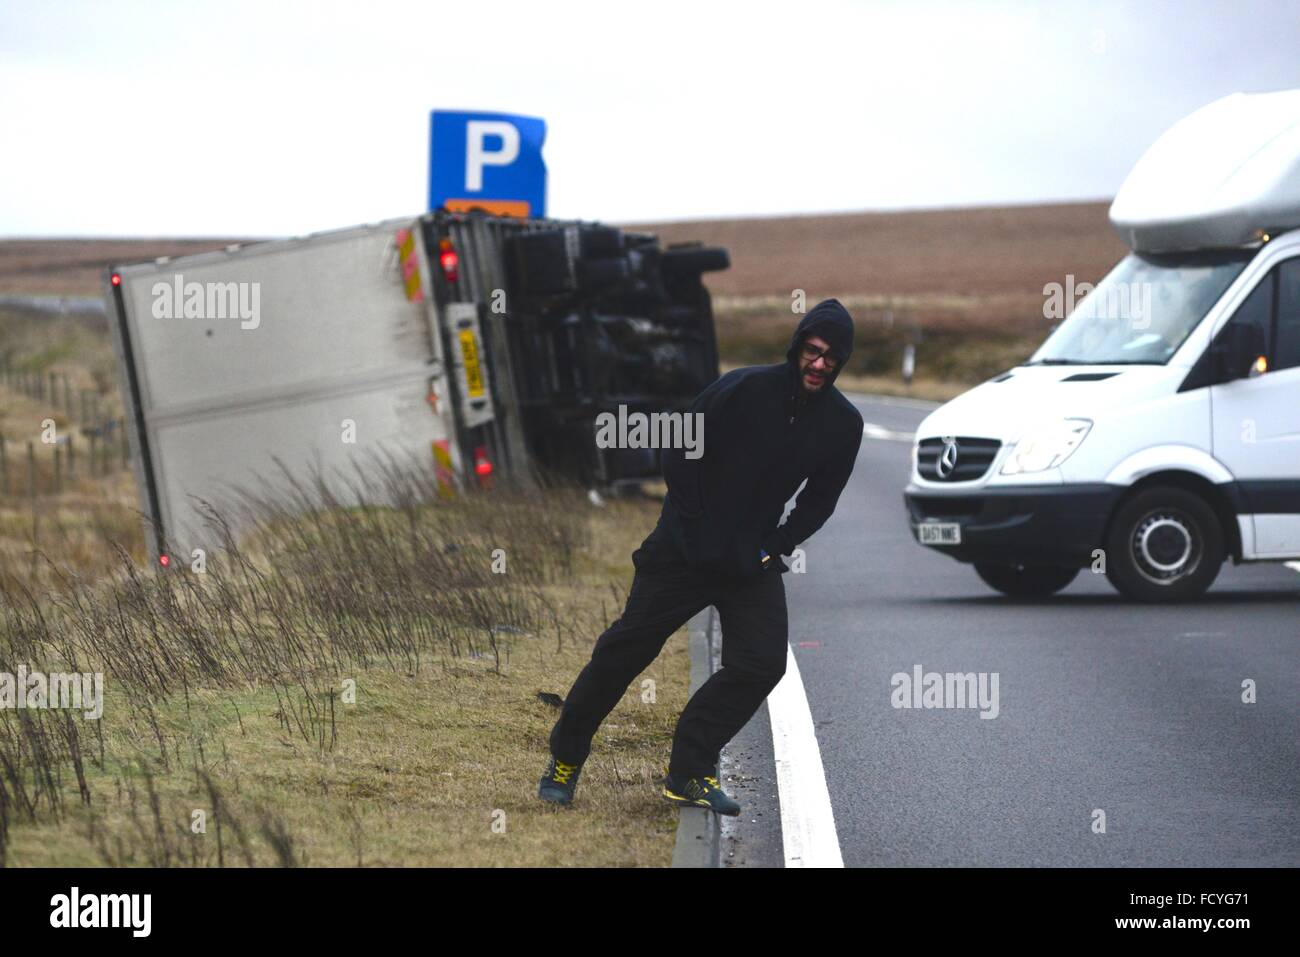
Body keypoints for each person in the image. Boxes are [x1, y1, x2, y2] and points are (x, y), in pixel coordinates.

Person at [539, 298, 864, 814]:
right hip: (681, 553)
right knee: (624, 654)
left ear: (842, 362)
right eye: (813, 351)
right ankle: (565, 759)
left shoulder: (843, 424)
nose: (820, 364)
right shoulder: (743, 388)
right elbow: (677, 442)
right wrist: (693, 522)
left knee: (760, 664)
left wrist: (775, 547)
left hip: (747, 562)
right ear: (797, 348)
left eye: (832, 357)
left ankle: (689, 772)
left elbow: (820, 500)